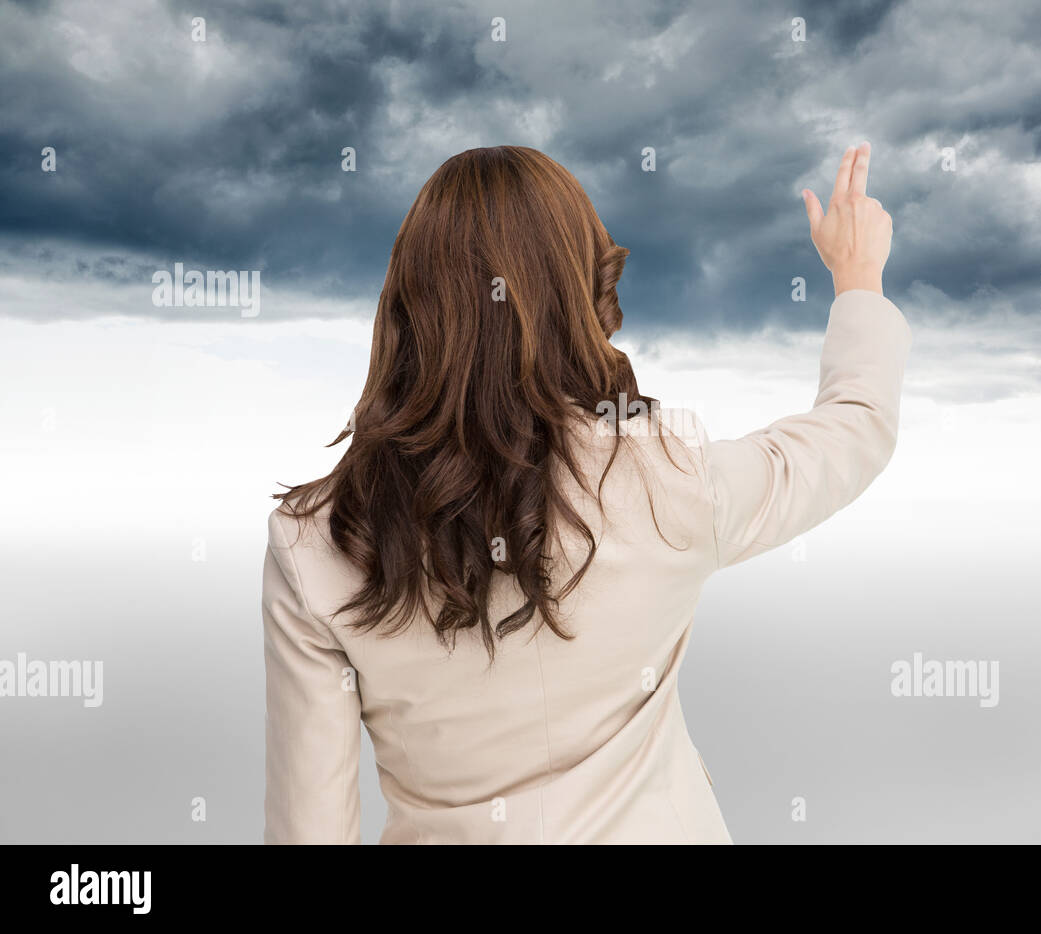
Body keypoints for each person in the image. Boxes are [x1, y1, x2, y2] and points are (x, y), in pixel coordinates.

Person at [262, 142, 909, 843]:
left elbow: (309, 829)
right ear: (581, 289)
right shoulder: (669, 473)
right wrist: (858, 278)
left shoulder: (313, 541)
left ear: (406, 305)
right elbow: (854, 429)